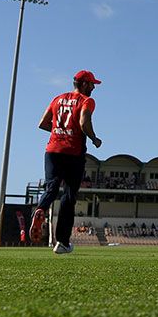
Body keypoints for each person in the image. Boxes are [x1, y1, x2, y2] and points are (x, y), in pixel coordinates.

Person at [31, 69, 103, 254]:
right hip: (73, 152)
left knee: (51, 187)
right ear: (85, 84)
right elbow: (83, 121)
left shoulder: (57, 99)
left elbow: (43, 123)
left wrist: (60, 131)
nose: (94, 88)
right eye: (92, 84)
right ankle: (62, 242)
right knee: (69, 196)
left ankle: (41, 209)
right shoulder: (87, 101)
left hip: (52, 150)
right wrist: (93, 137)